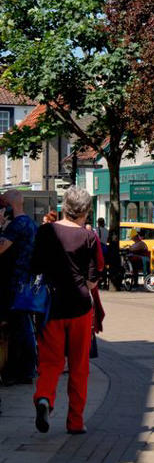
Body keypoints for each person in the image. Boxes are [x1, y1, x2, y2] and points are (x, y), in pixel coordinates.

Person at [31, 186, 99, 434]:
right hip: (80, 306)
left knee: (51, 361)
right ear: (85, 211)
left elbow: (35, 265)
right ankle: (75, 421)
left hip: (51, 305)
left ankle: (44, 398)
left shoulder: (46, 231)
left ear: (64, 206)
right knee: (79, 366)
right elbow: (92, 280)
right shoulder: (89, 237)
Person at [0, 189, 38, 386]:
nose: (2, 206)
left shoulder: (16, 225)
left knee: (18, 328)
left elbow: (1, 248)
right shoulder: (32, 223)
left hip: (15, 283)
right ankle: (26, 369)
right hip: (28, 283)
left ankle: (21, 370)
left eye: (3, 202)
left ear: (10, 204)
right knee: (24, 326)